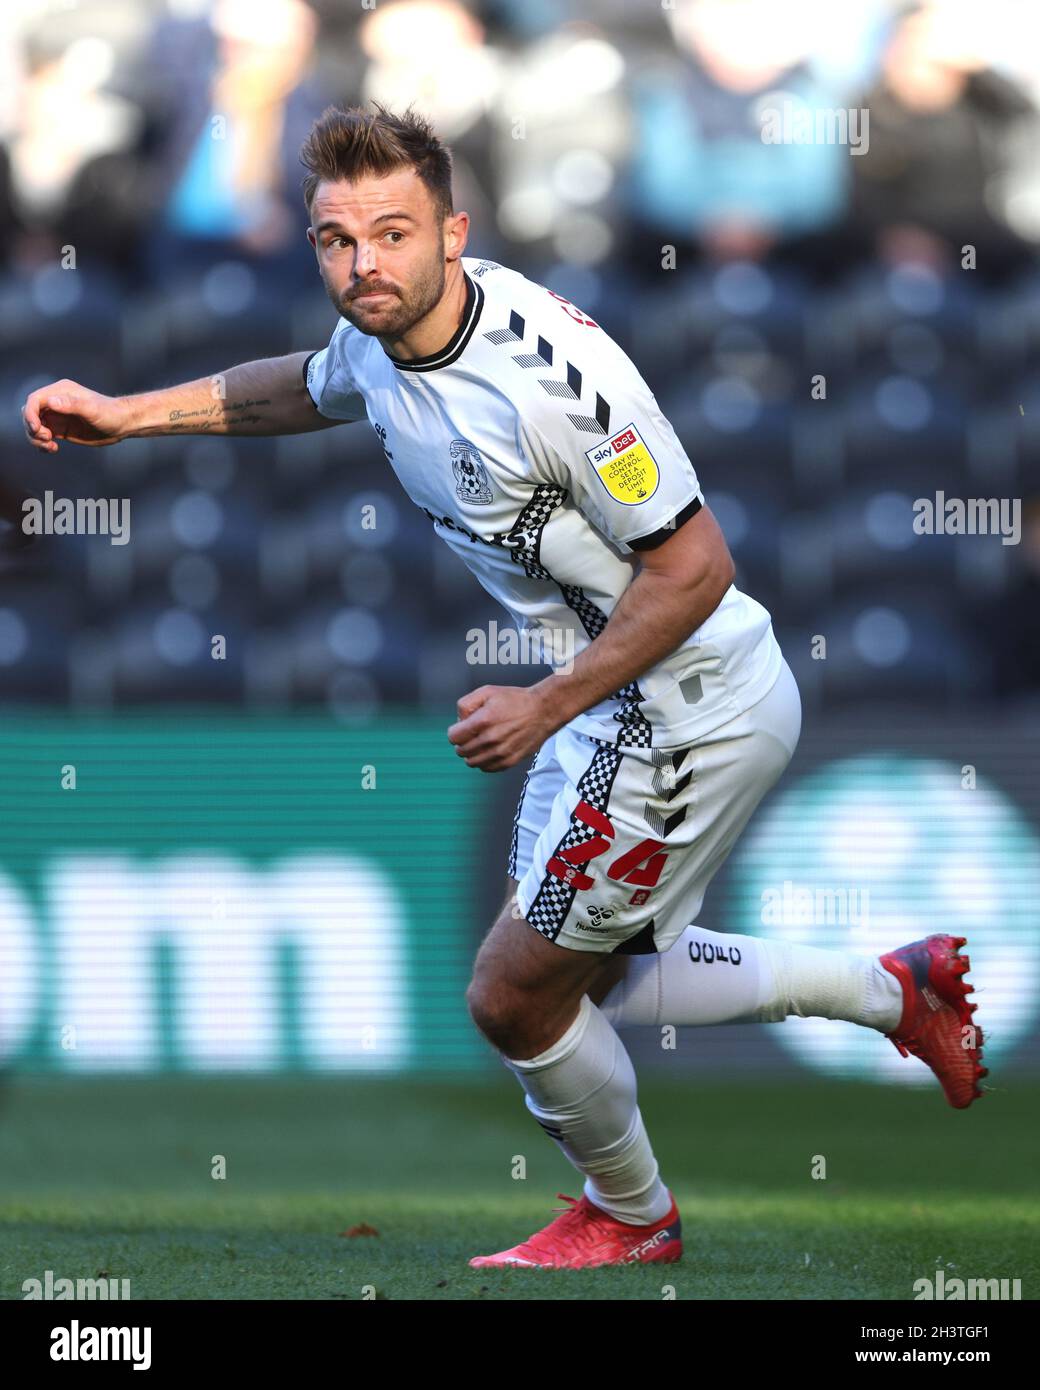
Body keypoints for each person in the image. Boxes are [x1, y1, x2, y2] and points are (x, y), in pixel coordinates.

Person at [21, 102, 987, 1271]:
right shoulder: (381, 332)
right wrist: (132, 416)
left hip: (689, 708)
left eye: (391, 232)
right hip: (612, 707)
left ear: (453, 233)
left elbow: (695, 567)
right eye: (336, 239)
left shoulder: (551, 381)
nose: (363, 262)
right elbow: (307, 387)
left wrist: (543, 703)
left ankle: (633, 1217)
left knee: (514, 997)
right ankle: (898, 991)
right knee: (602, 979)